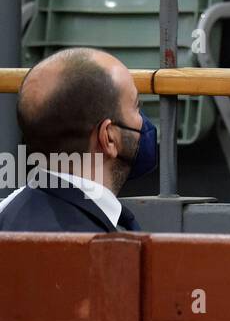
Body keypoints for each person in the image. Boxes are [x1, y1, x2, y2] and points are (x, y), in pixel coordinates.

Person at [0, 48, 155, 233]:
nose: (142, 120)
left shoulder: (6, 211)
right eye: (136, 106)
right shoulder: (97, 250)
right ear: (109, 138)